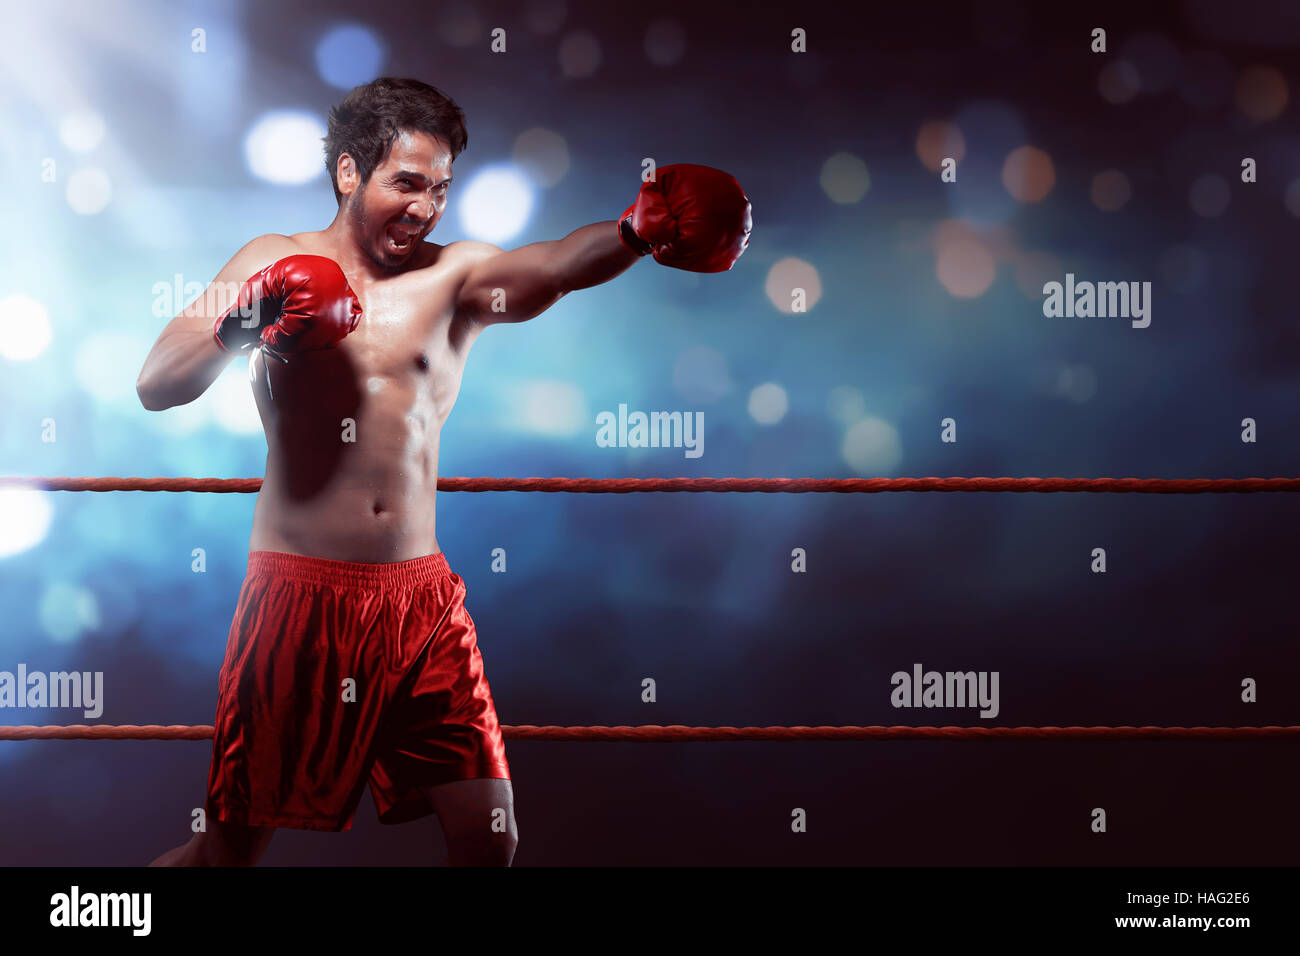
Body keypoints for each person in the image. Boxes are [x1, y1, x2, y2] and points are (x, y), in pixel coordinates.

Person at [136, 77, 751, 866]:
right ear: (350, 173)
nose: (425, 208)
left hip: (420, 601)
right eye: (406, 184)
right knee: (227, 855)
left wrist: (635, 232)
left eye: (439, 189)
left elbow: (557, 266)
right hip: (299, 594)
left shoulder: (456, 276)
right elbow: (158, 385)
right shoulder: (273, 259)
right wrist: (249, 317)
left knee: (488, 838)